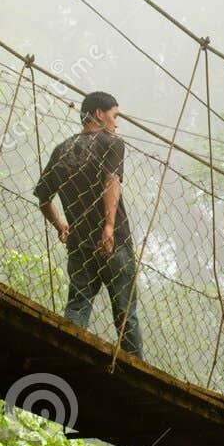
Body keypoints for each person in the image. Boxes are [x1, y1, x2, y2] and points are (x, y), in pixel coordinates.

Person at [34, 90, 144, 357]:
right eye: (114, 115)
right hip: (113, 241)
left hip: (79, 244)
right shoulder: (111, 143)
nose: (116, 123)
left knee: (78, 305)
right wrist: (108, 226)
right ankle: (136, 370)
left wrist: (60, 225)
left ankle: (67, 357)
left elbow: (43, 197)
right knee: (125, 312)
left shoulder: (62, 150)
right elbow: (111, 181)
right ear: (98, 113)